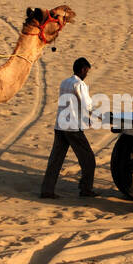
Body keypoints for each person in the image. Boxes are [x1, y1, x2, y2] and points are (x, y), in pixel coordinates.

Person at [40, 57, 97, 198]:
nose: (87, 74)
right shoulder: (79, 84)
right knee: (88, 160)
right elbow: (87, 105)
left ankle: (47, 190)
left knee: (55, 160)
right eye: (87, 71)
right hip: (72, 127)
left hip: (60, 126)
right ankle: (86, 189)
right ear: (83, 69)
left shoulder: (64, 82)